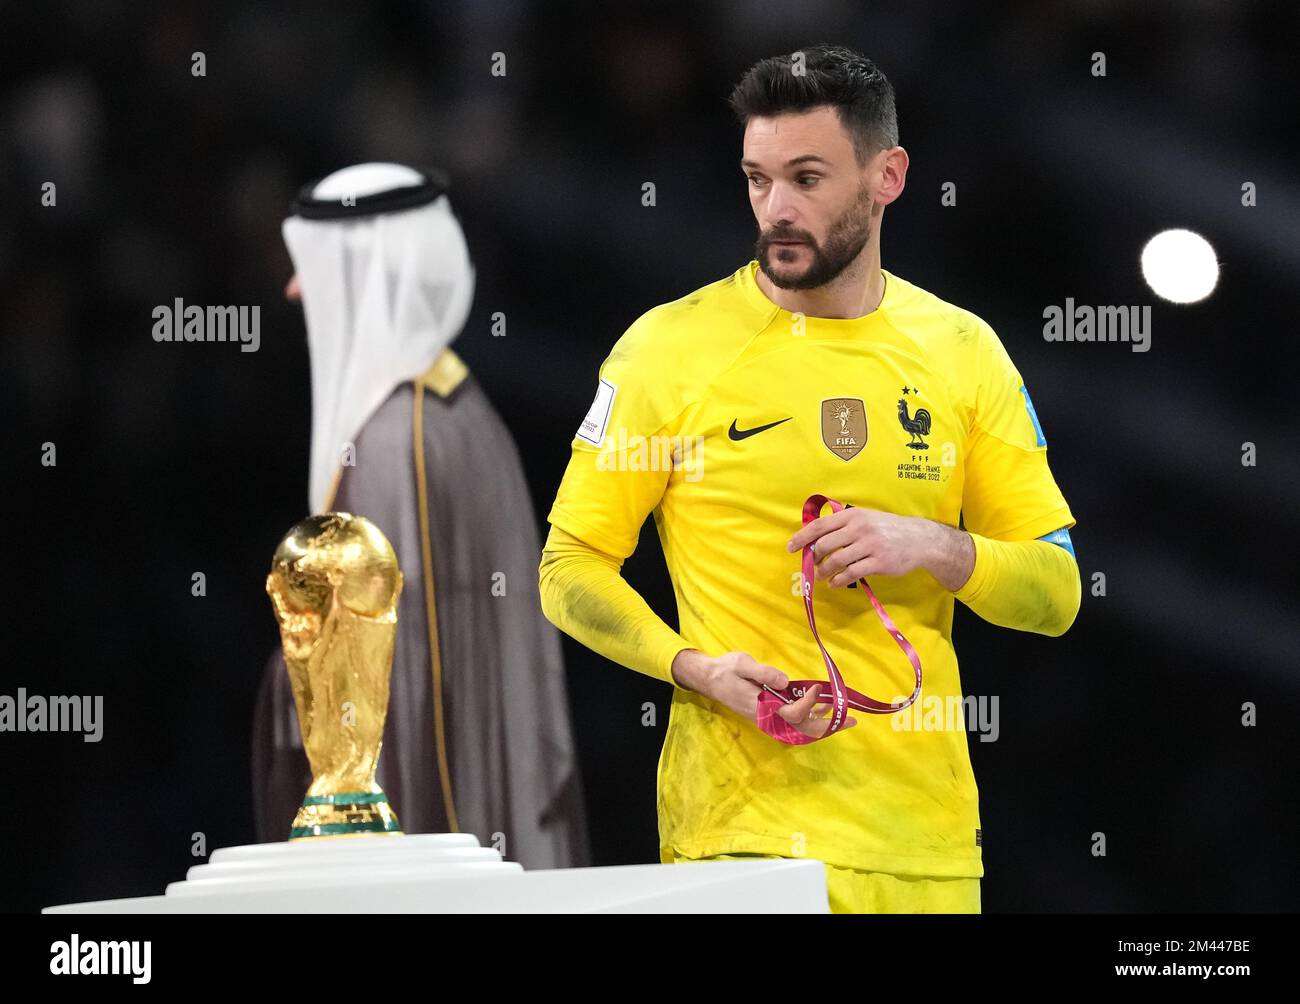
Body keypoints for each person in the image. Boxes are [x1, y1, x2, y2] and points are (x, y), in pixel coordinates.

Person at [538, 45, 1078, 912]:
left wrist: (935, 545)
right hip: (741, 847)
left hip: (926, 855)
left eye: (808, 178)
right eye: (758, 179)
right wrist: (693, 667)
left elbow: (1056, 594)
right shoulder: (667, 351)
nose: (777, 209)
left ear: (888, 176)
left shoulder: (964, 352)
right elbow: (568, 571)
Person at [253, 162, 589, 870]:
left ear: (365, 273)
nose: (294, 289)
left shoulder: (393, 443)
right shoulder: (456, 409)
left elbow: (394, 701)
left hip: (430, 848)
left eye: (312, 266)